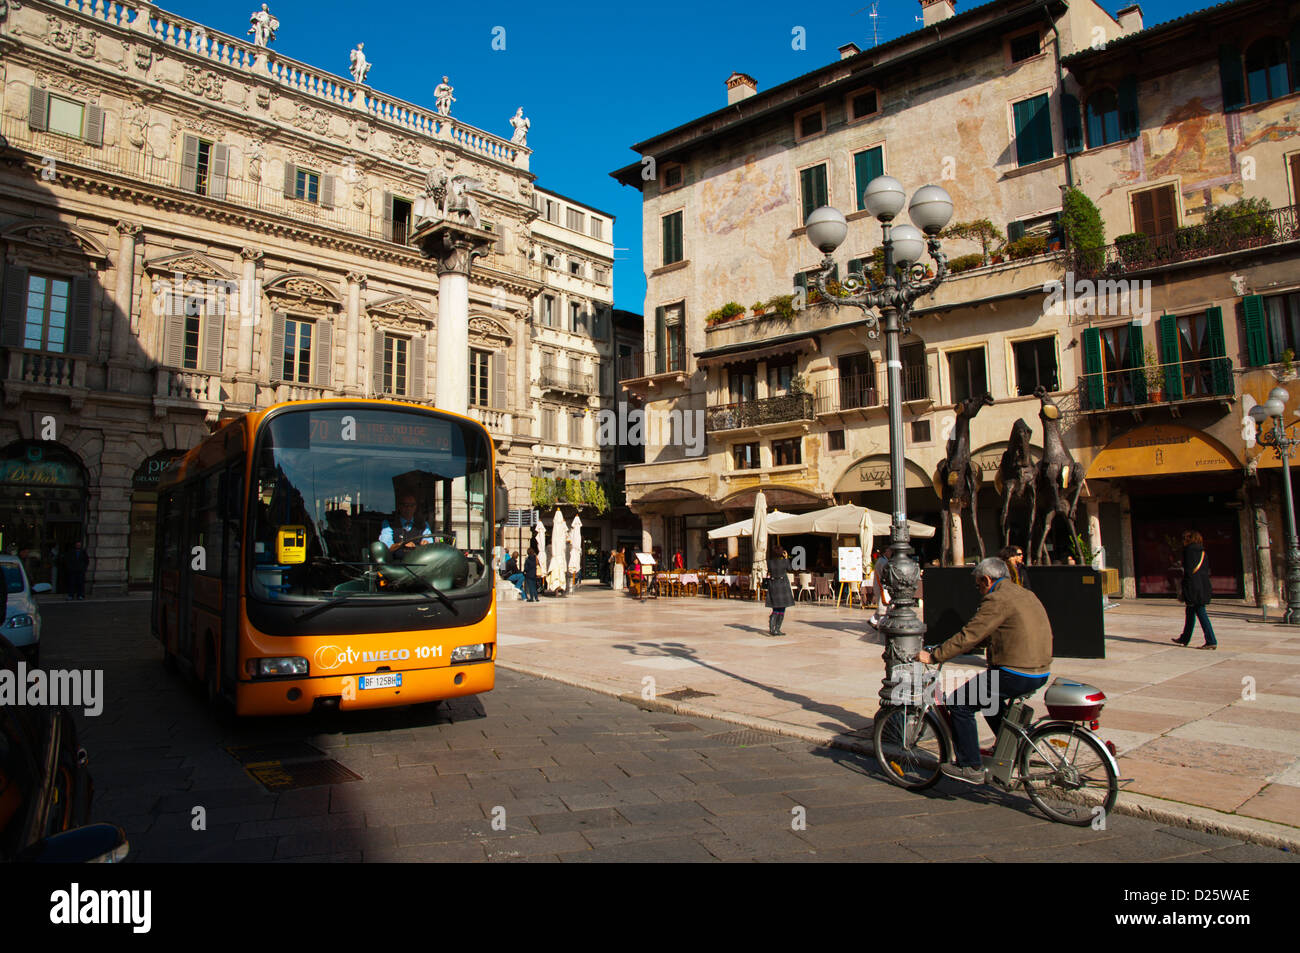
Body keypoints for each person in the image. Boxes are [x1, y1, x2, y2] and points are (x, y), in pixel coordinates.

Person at [917, 557, 1053, 784]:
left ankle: (970, 765)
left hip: (1016, 672)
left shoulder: (997, 599)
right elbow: (992, 634)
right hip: (1039, 670)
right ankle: (1010, 749)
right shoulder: (1024, 594)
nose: (979, 590)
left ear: (987, 579)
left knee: (959, 703)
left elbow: (970, 634)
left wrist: (934, 655)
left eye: (978, 585)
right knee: (989, 701)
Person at [1173, 530, 1217, 649]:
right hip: (1203, 585)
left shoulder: (1188, 551)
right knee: (1190, 612)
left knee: (1201, 613)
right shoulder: (1203, 552)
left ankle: (1211, 640)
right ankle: (1185, 638)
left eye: (1184, 539)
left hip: (1193, 586)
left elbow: (1188, 571)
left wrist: (1184, 588)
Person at [765, 541, 795, 636]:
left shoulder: (769, 562)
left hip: (773, 585)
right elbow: (790, 568)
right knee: (782, 608)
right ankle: (777, 629)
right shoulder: (784, 561)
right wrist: (786, 558)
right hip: (782, 585)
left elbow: (770, 571)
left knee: (775, 608)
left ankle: (772, 628)